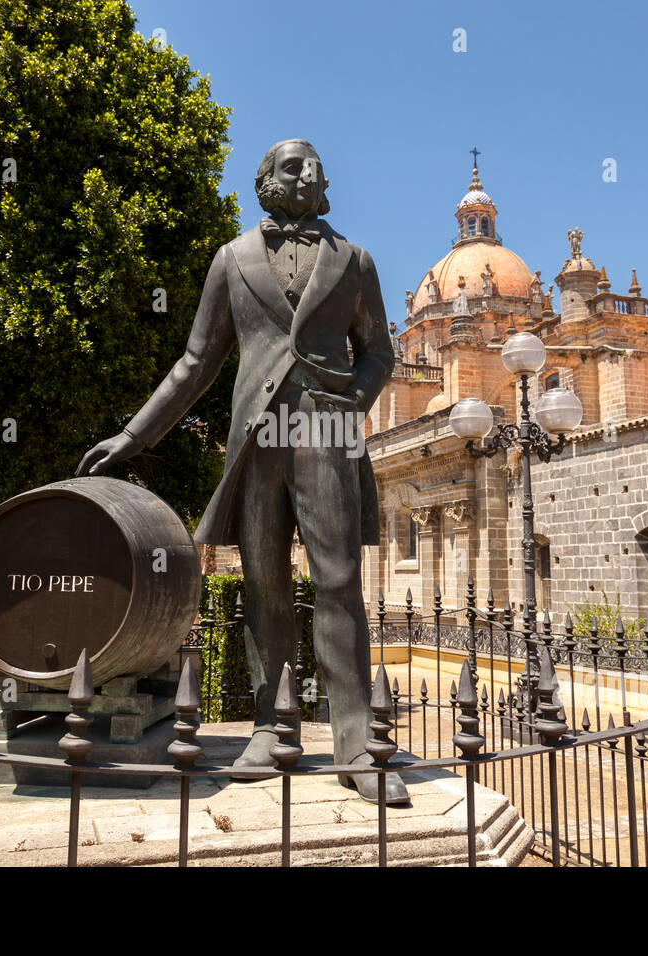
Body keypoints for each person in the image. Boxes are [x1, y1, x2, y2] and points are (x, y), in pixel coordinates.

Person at [77, 139, 407, 804]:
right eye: (293, 166)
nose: (309, 173)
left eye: (315, 165)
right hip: (255, 440)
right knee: (263, 586)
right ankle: (270, 728)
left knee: (339, 581)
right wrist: (134, 434)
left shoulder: (355, 260)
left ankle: (354, 743)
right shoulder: (231, 260)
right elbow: (196, 363)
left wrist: (354, 400)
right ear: (266, 183)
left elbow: (378, 351)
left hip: (327, 432)